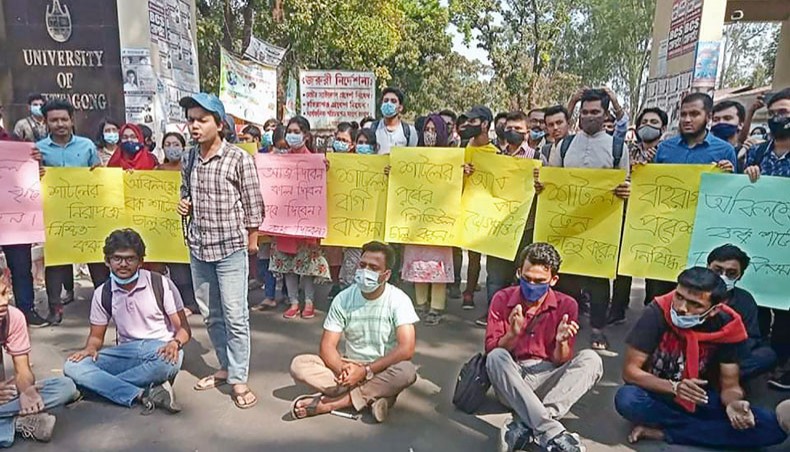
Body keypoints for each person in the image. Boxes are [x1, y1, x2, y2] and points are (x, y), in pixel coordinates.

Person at [614, 267, 789, 448]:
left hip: (703, 397)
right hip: (659, 392)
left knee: (771, 428)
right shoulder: (657, 312)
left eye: (695, 304)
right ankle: (705, 430)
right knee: (627, 399)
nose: (681, 308)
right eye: (679, 297)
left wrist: (733, 403)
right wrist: (675, 387)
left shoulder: (728, 326)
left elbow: (730, 385)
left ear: (714, 310)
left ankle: (667, 432)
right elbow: (631, 372)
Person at [177, 93, 264, 409]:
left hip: (230, 249)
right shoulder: (188, 158)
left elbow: (254, 204)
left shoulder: (239, 158)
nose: (194, 126)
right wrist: (183, 205)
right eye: (190, 120)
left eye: (202, 120)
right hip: (198, 248)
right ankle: (225, 366)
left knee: (235, 316)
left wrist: (252, 241)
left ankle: (239, 378)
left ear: (220, 123)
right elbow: (184, 194)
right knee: (211, 314)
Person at [486, 243, 602, 452]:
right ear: (519, 272)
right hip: (513, 380)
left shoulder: (567, 305)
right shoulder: (502, 299)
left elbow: (561, 361)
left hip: (549, 377)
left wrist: (562, 342)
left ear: (553, 280)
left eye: (540, 281)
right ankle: (553, 432)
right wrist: (513, 333)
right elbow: (491, 352)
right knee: (496, 357)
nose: (532, 285)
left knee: (592, 360)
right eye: (527, 278)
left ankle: (525, 424)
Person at [538, 88, 631, 351]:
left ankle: (597, 329)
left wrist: (625, 190)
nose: (590, 117)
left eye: (595, 113)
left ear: (605, 115)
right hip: (568, 223)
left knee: (599, 281)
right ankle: (563, 324)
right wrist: (541, 185)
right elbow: (552, 178)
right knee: (566, 277)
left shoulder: (617, 147)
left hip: (601, 225)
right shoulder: (564, 145)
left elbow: (625, 181)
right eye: (586, 112)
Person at [289, 241, 418, 423]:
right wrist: (345, 371)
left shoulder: (399, 300)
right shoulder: (343, 299)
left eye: (373, 268)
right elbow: (327, 346)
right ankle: (373, 396)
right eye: (362, 265)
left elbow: (407, 348)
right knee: (300, 364)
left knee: (406, 371)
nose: (365, 272)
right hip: (348, 365)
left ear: (386, 274)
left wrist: (365, 371)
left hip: (382, 368)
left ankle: (332, 404)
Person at [63, 229, 190, 413]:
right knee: (73, 365)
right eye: (117, 258)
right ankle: (143, 392)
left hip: (160, 350)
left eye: (130, 259)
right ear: (107, 261)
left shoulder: (160, 284)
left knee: (168, 364)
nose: (123, 264)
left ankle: (93, 388)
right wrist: (90, 349)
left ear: (141, 261)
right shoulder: (103, 293)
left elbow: (184, 329)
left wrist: (175, 343)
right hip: (126, 352)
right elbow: (96, 338)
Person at [650, 92, 738, 302]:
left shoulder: (724, 150)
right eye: (683, 114)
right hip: (665, 233)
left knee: (696, 291)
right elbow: (651, 188)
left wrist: (730, 175)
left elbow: (732, 196)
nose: (687, 119)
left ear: (708, 117)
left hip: (702, 234)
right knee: (658, 293)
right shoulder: (664, 149)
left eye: (694, 114)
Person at [33, 100, 102, 325]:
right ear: (46, 122)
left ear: (72, 120)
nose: (60, 124)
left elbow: (100, 174)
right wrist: (36, 172)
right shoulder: (37, 150)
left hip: (87, 212)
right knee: (55, 262)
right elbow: (29, 181)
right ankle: (55, 308)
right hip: (56, 214)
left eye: (64, 119)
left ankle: (107, 305)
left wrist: (98, 172)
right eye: (54, 120)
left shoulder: (87, 146)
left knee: (97, 260)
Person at [740, 87, 790, 390]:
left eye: (784, 112)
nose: (778, 118)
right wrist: (746, 175)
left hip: (786, 249)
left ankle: (783, 364)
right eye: (773, 114)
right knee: (755, 306)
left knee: (786, 310)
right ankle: (757, 361)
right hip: (756, 243)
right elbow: (735, 185)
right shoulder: (759, 151)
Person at [0, 272, 80, 447]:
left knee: (64, 387)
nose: (3, 302)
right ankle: (14, 425)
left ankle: (11, 420)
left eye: (4, 293)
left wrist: (27, 391)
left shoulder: (13, 318)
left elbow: (23, 370)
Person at [607, 107, 670, 326]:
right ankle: (618, 308)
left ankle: (652, 310)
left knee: (653, 266)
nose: (648, 126)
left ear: (663, 128)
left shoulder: (668, 152)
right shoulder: (629, 151)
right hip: (627, 214)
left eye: (654, 122)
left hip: (658, 218)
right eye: (644, 121)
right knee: (622, 265)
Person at [268, 115, 330, 320]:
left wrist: (324, 170)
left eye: (296, 132)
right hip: (284, 224)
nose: (292, 136)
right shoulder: (278, 160)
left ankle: (309, 302)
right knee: (287, 266)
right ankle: (294, 302)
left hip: (306, 223)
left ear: (306, 135)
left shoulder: (316, 160)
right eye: (290, 132)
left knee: (307, 267)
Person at [402, 115, 454, 326]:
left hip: (440, 223)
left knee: (438, 265)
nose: (430, 134)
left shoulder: (452, 159)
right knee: (418, 263)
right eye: (427, 130)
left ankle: (436, 307)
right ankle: (420, 304)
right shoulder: (412, 157)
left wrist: (464, 173)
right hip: (416, 221)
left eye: (434, 130)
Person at [705, 244, 777, 379]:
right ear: (707, 268)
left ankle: (718, 377)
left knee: (767, 355)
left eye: (731, 273)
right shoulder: (692, 292)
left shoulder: (745, 300)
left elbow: (752, 337)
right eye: (717, 270)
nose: (723, 277)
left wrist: (729, 351)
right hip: (695, 351)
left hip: (731, 354)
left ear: (740, 276)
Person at [151, 132, 201, 316]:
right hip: (166, 227)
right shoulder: (157, 170)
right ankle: (180, 303)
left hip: (188, 222)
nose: (172, 148)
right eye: (168, 144)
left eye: (176, 144)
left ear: (183, 146)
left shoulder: (190, 168)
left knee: (189, 268)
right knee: (175, 269)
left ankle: (193, 302)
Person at [458, 106, 497, 319]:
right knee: (470, 254)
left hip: (486, 211)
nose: (468, 125)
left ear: (484, 124)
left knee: (485, 256)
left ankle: (479, 294)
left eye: (473, 121)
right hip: (464, 207)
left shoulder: (496, 153)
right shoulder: (462, 148)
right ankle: (467, 291)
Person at [373, 87, 418, 154]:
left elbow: (412, 156)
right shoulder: (372, 128)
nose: (388, 104)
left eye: (393, 101)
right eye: (386, 100)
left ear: (400, 108)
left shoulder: (410, 132)